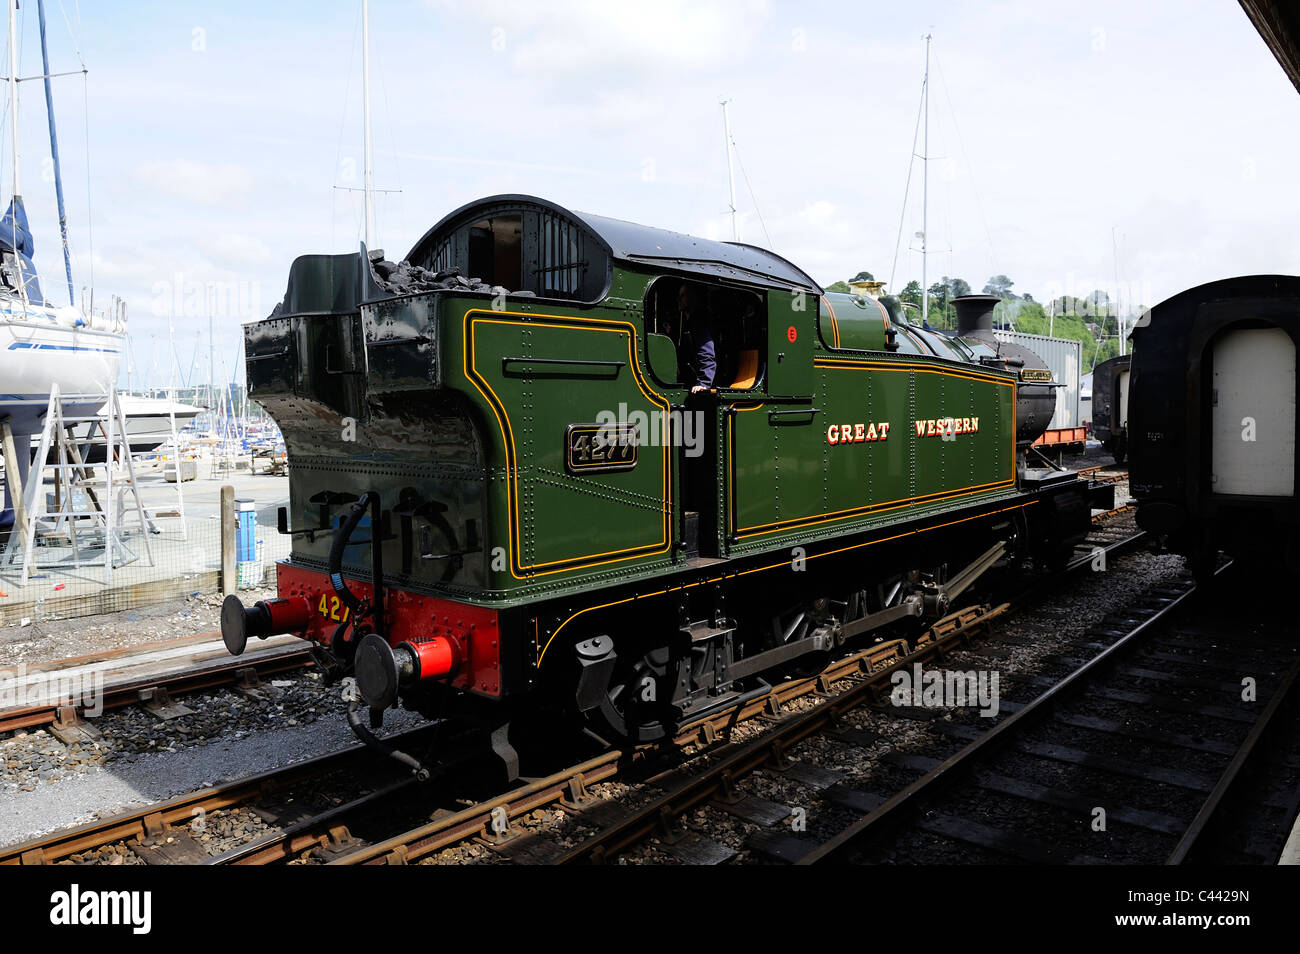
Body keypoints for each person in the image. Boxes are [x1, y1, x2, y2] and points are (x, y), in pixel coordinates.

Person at [662, 282, 715, 393]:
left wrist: (704, 383)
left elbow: (706, 352)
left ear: (694, 297)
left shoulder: (699, 320)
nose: (678, 299)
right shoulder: (687, 320)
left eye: (682, 296)